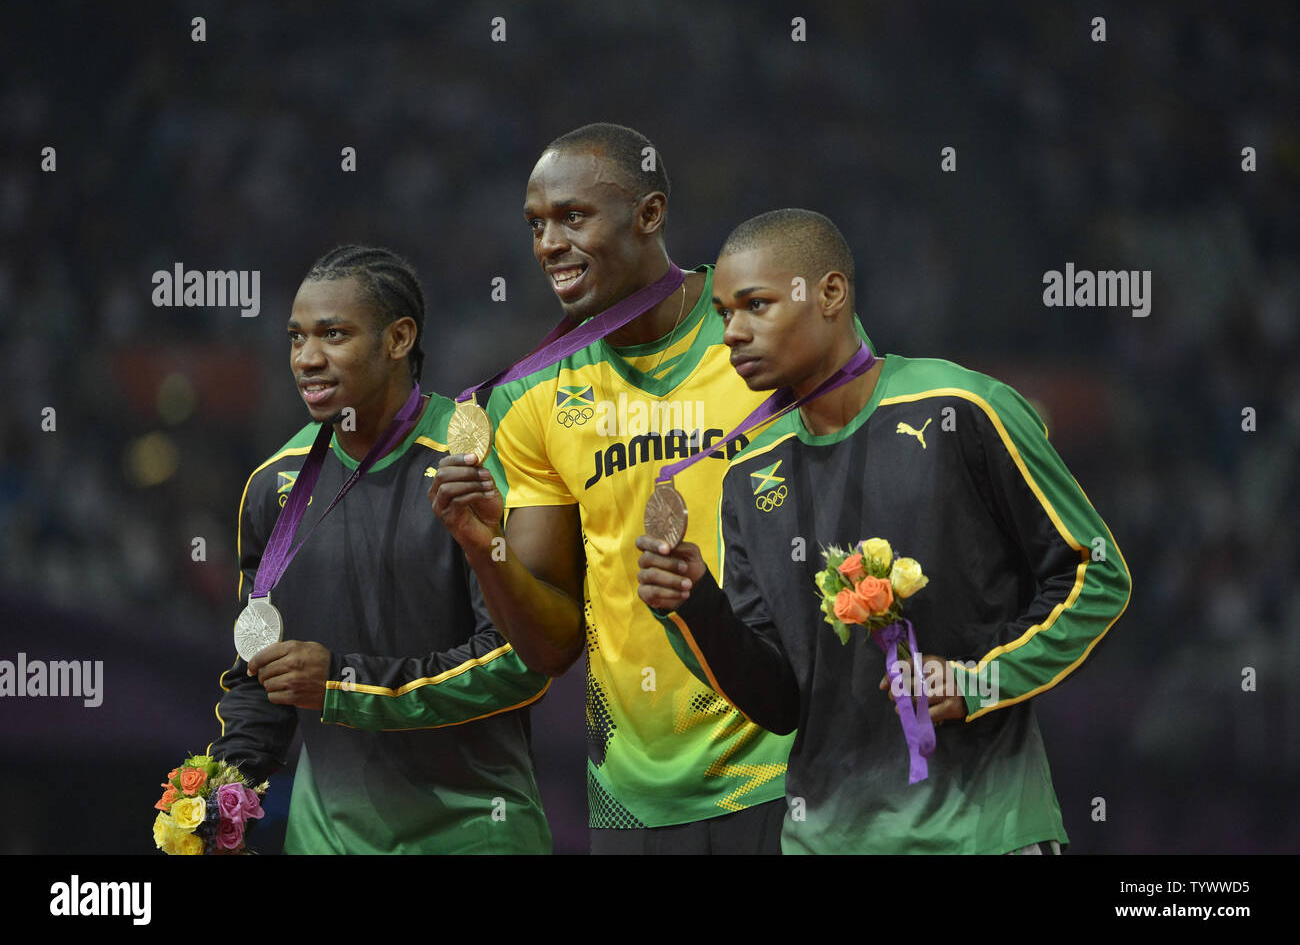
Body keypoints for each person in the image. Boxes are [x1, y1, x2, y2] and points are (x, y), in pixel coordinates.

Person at [636, 209, 1133, 854]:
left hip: (981, 834)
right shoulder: (749, 473)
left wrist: (980, 680)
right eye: (724, 314)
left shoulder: (962, 409)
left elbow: (1095, 574)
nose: (732, 333)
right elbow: (782, 701)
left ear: (830, 295)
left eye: (755, 306)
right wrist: (696, 605)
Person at [431, 124, 817, 853]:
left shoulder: (764, 330)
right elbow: (552, 648)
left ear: (650, 214)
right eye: (536, 225)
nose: (547, 242)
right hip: (635, 804)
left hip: (792, 768)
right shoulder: (535, 398)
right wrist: (485, 549)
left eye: (573, 217)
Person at [210, 244, 553, 854]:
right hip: (324, 843)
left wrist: (344, 684)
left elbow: (518, 663)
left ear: (398, 339)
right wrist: (223, 799)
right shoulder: (275, 488)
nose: (307, 359)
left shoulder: (479, 462)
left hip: (474, 837)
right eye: (296, 339)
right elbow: (260, 677)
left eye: (334, 335)